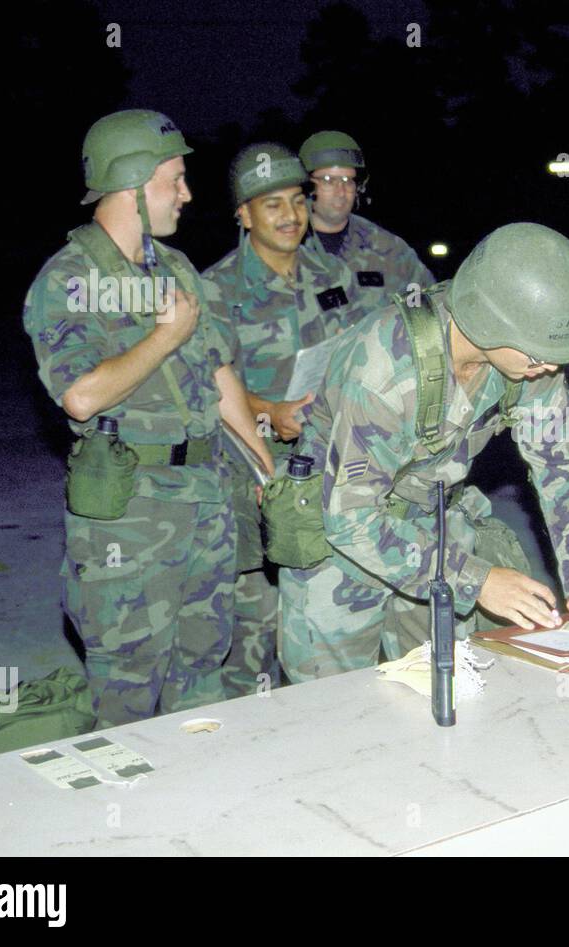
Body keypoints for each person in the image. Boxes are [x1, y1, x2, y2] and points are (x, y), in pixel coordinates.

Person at [277, 223, 569, 680]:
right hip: (340, 545)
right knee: (335, 713)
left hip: (435, 525)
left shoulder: (532, 350)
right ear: (489, 323)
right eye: (538, 357)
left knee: (448, 690)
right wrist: (477, 579)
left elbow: (560, 466)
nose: (550, 368)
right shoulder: (385, 365)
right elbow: (351, 520)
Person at [22, 110, 272, 728]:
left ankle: (201, 805)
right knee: (128, 691)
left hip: (205, 502)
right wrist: (165, 337)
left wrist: (267, 468)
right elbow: (80, 396)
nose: (187, 194)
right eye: (175, 179)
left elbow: (218, 376)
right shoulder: (68, 280)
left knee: (203, 674)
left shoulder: (177, 268)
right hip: (129, 520)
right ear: (132, 184)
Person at [200, 143, 359, 697]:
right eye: (272, 206)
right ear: (243, 215)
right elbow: (208, 387)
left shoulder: (333, 272)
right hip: (254, 479)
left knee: (325, 618)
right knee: (258, 625)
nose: (291, 216)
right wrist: (272, 412)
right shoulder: (215, 289)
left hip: (333, 469)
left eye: (297, 201)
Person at [299, 129, 434, 321]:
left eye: (348, 180)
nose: (341, 191)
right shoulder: (280, 246)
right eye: (328, 180)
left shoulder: (390, 250)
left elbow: (427, 314)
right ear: (307, 185)